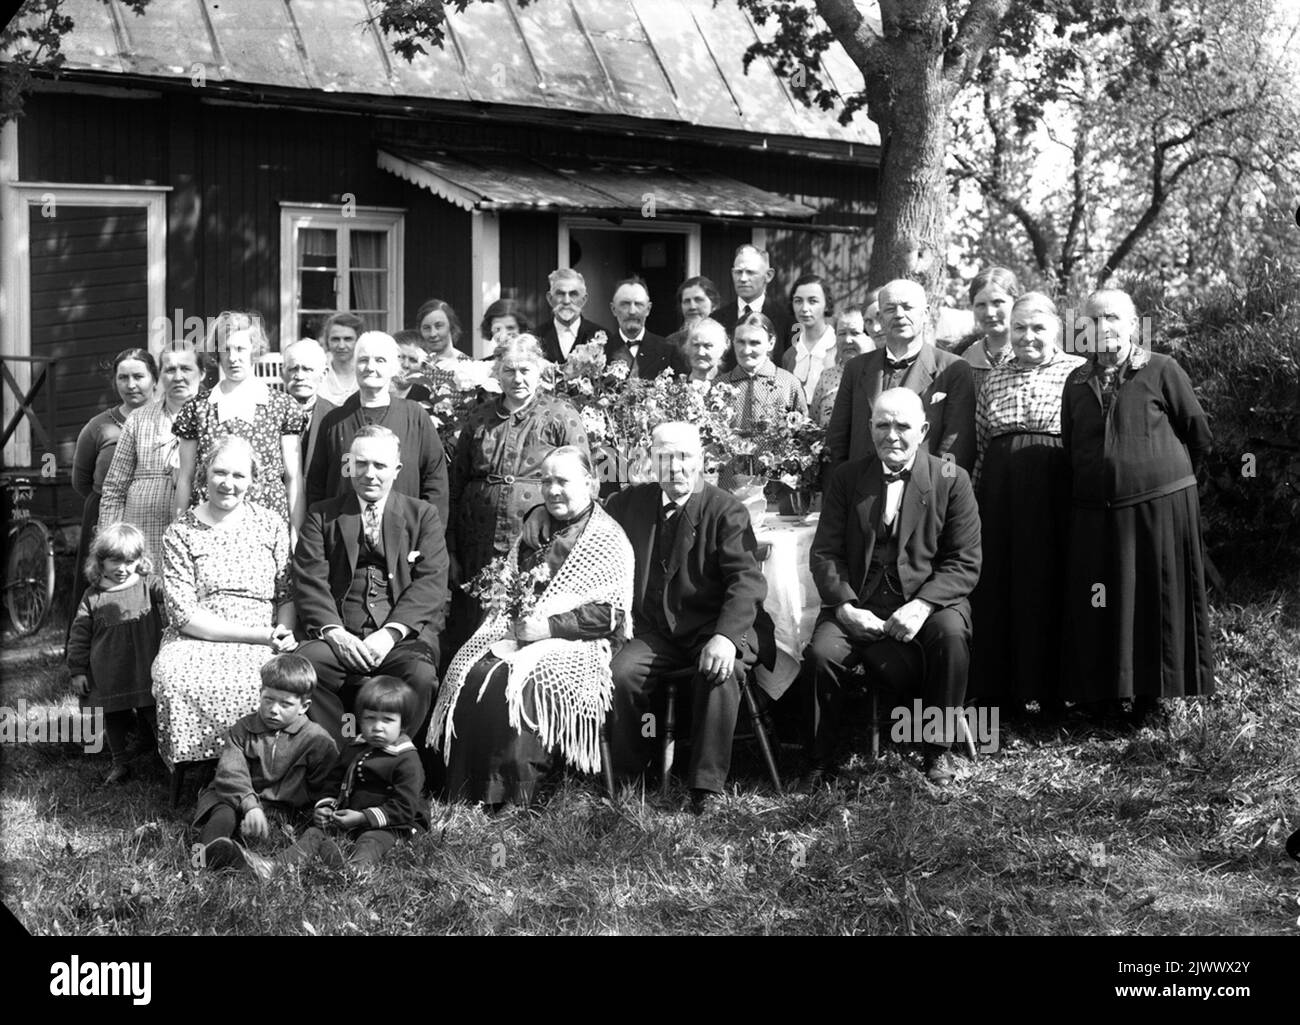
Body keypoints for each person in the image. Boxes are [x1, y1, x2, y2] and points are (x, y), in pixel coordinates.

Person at [433, 447, 634, 808]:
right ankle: (465, 788)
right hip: (522, 630)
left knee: (522, 680)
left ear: (589, 483)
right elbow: (509, 581)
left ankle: (517, 791)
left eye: (563, 481)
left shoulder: (606, 536)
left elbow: (611, 615)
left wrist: (549, 628)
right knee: (472, 670)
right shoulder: (536, 525)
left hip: (581, 638)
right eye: (546, 481)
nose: (553, 490)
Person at [805, 388, 982, 786]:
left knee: (952, 637)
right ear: (870, 429)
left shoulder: (953, 479)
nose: (892, 435)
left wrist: (921, 606)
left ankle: (937, 751)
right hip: (860, 599)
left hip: (928, 600)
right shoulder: (848, 478)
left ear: (922, 430)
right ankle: (819, 759)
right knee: (821, 655)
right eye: (882, 425)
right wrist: (846, 607)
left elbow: (964, 561)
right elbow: (825, 553)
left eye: (903, 426)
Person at [605, 422, 774, 814]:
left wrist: (727, 637)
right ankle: (632, 779)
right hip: (655, 633)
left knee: (722, 669)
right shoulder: (628, 505)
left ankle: (706, 787)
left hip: (711, 627)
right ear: (650, 461)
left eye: (684, 457)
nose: (675, 467)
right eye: (664, 457)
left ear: (701, 461)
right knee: (622, 674)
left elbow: (745, 582)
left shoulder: (725, 509)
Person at [1060, 289, 1214, 715]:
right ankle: (1108, 696)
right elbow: (1073, 446)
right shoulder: (1075, 382)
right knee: (1101, 597)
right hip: (1097, 515)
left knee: (1152, 599)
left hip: (1157, 511)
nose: (1102, 326)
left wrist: (1168, 487)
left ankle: (1151, 699)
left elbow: (1198, 435)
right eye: (1091, 320)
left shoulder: (1163, 369)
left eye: (1112, 317)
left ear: (1132, 324)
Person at [294, 427, 449, 750]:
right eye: (360, 464)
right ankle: (338, 754)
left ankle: (395, 758)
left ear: (397, 470)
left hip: (401, 638)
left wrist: (390, 633)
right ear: (349, 466)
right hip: (341, 635)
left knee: (420, 676)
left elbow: (431, 582)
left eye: (379, 466)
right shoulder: (322, 515)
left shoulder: (422, 515)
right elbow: (310, 579)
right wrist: (335, 633)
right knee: (306, 666)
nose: (369, 474)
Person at [152, 436, 298, 772]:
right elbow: (184, 615)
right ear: (204, 474)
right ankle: (204, 771)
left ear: (252, 479)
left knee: (269, 679)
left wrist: (283, 632)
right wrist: (260, 636)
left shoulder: (271, 525)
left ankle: (263, 768)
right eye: (220, 472)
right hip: (199, 638)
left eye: (238, 475)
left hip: (265, 634)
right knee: (176, 677)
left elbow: (285, 593)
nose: (228, 483)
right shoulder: (181, 532)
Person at [969, 293, 1085, 713]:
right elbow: (982, 446)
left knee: (1052, 582)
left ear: (1056, 328)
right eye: (1019, 327)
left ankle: (1054, 693)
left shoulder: (1077, 372)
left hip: (1055, 491)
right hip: (1001, 496)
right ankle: (1004, 692)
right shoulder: (993, 378)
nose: (1028, 336)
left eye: (1037, 327)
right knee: (1002, 585)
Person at [449, 335, 589, 597]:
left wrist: (545, 509)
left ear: (540, 371)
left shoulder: (560, 415)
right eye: (508, 370)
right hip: (477, 539)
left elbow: (585, 482)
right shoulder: (480, 417)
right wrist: (451, 546)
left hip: (537, 539)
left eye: (525, 370)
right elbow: (456, 483)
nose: (517, 379)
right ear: (497, 374)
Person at [194, 654, 338, 871]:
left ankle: (271, 868)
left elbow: (328, 783)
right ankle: (207, 855)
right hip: (234, 796)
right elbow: (230, 773)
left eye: (285, 704)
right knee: (223, 810)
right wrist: (250, 805)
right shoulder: (243, 729)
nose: (273, 709)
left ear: (304, 706)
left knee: (316, 833)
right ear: (260, 694)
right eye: (268, 699)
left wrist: (324, 807)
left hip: (279, 807)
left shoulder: (318, 740)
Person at [273, 676, 430, 873]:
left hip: (392, 823)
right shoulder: (355, 747)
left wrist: (362, 818)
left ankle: (354, 873)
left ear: (403, 724)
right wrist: (326, 808)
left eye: (388, 720)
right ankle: (274, 866)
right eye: (370, 718)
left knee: (370, 840)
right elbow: (334, 781)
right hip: (350, 817)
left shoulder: (406, 759)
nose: (377, 727)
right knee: (314, 832)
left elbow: (404, 807)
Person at [173, 311, 306, 532]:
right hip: (209, 523)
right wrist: (178, 528)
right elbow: (185, 478)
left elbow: (293, 478)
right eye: (226, 349)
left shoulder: (281, 405)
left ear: (254, 351)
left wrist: (295, 532)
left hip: (267, 523)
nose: (233, 357)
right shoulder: (198, 408)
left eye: (240, 349)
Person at [826, 278, 977, 472]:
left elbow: (956, 447)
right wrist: (838, 494)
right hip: (860, 493)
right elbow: (837, 441)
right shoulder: (855, 369)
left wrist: (940, 494)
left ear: (926, 313)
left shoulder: (954, 369)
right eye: (890, 309)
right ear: (880, 318)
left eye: (907, 307)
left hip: (924, 493)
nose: (899, 315)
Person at [306, 331, 449, 531]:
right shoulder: (333, 421)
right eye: (363, 360)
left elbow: (436, 483)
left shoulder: (416, 417)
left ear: (394, 367)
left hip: (405, 536)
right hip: (342, 539)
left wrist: (429, 535)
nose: (370, 367)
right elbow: (316, 487)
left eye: (380, 360)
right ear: (354, 366)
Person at [67, 523, 166, 784]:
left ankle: (168, 759)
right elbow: (79, 636)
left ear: (140, 560)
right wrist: (77, 670)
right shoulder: (93, 596)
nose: (122, 568)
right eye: (115, 561)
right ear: (101, 561)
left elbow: (171, 593)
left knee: (155, 714)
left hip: (144, 667)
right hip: (109, 671)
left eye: (130, 561)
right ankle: (119, 762)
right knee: (113, 716)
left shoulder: (149, 585)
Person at [98, 346, 204, 570]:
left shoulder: (214, 416)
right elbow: (115, 489)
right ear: (159, 376)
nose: (178, 377)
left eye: (186, 368)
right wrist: (110, 542)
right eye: (169, 370)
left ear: (201, 373)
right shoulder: (138, 419)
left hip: (199, 528)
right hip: (144, 529)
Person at [71, 347, 158, 615]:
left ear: (154, 379)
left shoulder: (167, 419)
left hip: (152, 511)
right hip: (106, 513)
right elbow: (81, 481)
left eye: (139, 376)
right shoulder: (99, 426)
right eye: (123, 378)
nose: (131, 385)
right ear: (115, 381)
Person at [719, 312, 808, 489]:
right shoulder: (719, 386)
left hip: (776, 488)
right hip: (728, 490)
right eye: (740, 342)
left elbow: (804, 440)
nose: (746, 350)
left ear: (771, 342)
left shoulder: (788, 384)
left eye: (754, 343)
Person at [716, 244, 792, 368]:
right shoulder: (717, 319)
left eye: (750, 272)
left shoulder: (786, 319)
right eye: (738, 272)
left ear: (768, 275)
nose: (743, 278)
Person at [608, 277, 686, 380]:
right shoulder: (602, 351)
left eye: (638, 304)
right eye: (625, 304)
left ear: (648, 309)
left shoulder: (668, 351)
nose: (632, 311)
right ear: (613, 309)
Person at [809, 305, 871, 428]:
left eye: (855, 333)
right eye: (842, 333)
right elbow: (813, 425)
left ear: (868, 336)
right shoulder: (826, 377)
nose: (848, 340)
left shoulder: (879, 374)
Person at [958, 267, 1021, 388]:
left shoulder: (1034, 354)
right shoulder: (964, 358)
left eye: (997, 303)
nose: (989, 313)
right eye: (981, 305)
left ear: (1016, 302)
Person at [280, 338, 334, 474]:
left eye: (307, 369)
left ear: (324, 374)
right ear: (282, 374)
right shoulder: (269, 415)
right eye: (293, 369)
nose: (299, 376)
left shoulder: (336, 418)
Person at [782, 274, 837, 404]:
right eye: (798, 301)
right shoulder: (790, 356)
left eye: (813, 301)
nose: (804, 309)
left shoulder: (838, 348)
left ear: (827, 305)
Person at [535, 268, 607, 366]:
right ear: (550, 299)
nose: (566, 301)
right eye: (560, 294)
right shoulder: (535, 337)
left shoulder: (602, 337)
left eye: (573, 294)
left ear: (583, 300)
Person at [667, 275, 722, 355]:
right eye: (687, 301)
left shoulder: (730, 339)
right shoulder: (671, 343)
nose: (692, 306)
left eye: (698, 300)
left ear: (714, 304)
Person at [318, 312, 365, 405]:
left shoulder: (368, 370)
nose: (341, 346)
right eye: (335, 339)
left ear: (358, 341)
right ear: (327, 341)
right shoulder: (318, 371)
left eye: (348, 339)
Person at [416, 298, 471, 368]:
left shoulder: (466, 364)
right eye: (427, 328)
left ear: (451, 326)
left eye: (439, 326)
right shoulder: (412, 362)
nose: (433, 334)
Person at [684, 317, 730, 387]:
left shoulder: (731, 387)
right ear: (687, 348)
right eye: (696, 345)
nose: (700, 352)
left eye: (707, 346)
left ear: (721, 350)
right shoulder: (674, 389)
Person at [392, 330, 434, 405]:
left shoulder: (428, 399)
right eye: (400, 357)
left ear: (422, 367)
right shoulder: (370, 392)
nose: (405, 365)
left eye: (413, 360)